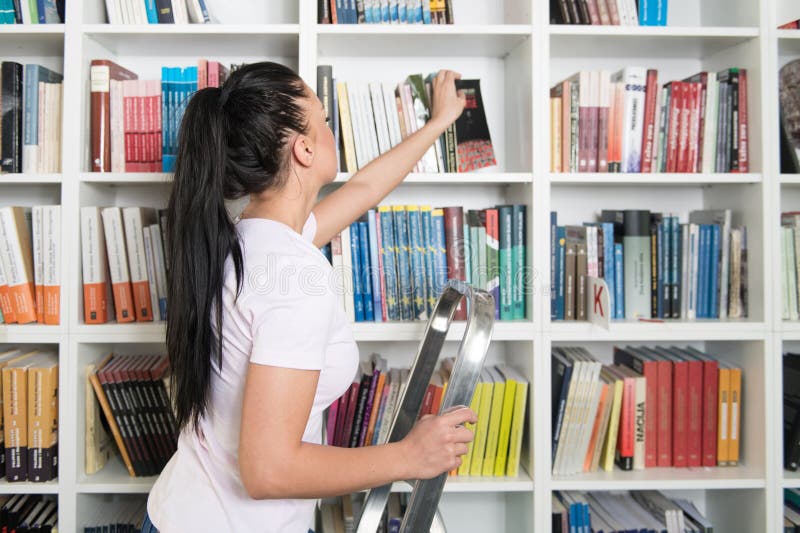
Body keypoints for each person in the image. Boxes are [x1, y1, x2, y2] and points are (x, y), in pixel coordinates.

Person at [143, 61, 478, 533]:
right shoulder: (291, 275)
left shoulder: (249, 240)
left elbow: (364, 189)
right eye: (323, 118)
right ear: (303, 149)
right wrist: (409, 456)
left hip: (180, 512)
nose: (329, 128)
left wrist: (439, 122)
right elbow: (268, 471)